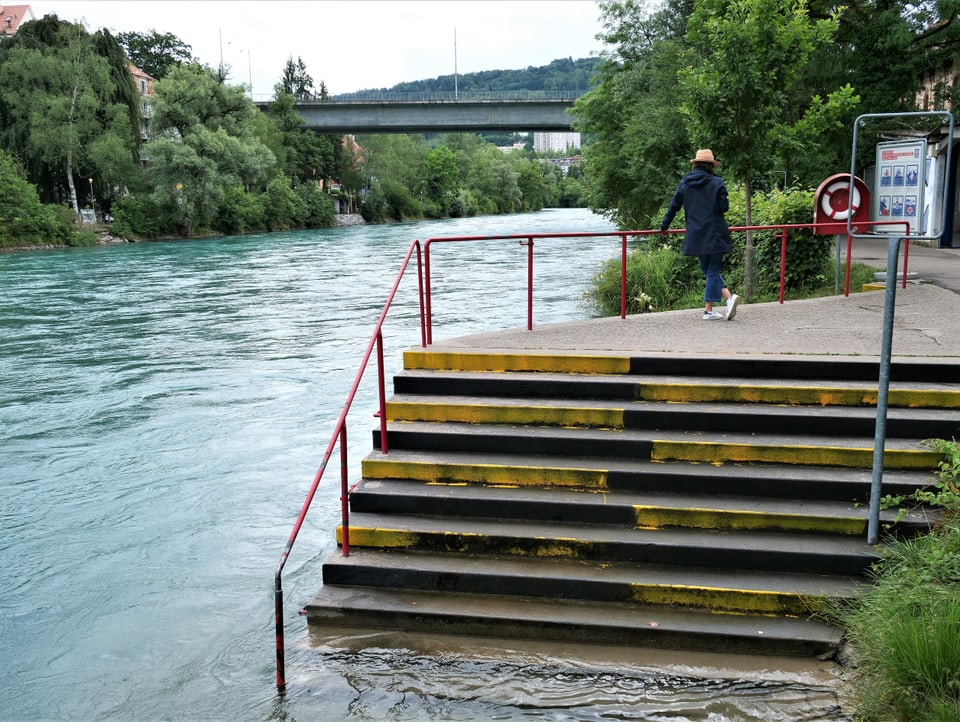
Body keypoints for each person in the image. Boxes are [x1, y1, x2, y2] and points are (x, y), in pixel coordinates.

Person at [660, 149, 739, 321]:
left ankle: (721, 303)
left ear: (695, 164)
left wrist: (664, 226)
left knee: (707, 270)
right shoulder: (717, 183)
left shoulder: (685, 183)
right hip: (716, 232)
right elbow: (724, 208)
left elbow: (674, 206)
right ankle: (716, 307)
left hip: (696, 234)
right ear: (711, 165)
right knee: (712, 270)